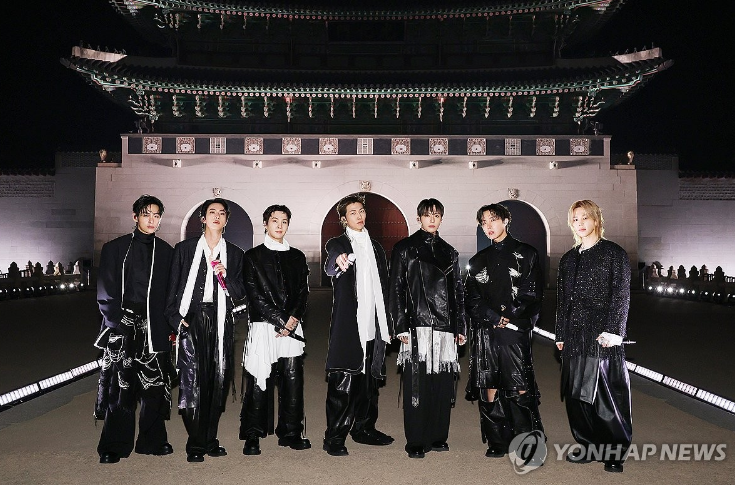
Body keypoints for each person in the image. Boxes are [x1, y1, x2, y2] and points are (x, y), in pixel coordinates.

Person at [94, 195, 175, 464]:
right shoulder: (115, 248)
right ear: (135, 216)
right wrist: (117, 322)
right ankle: (114, 445)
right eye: (146, 214)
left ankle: (153, 441)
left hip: (155, 326)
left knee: (155, 386)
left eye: (156, 216)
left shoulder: (166, 252)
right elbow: (105, 290)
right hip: (123, 325)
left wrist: (170, 326)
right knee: (121, 387)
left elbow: (170, 294)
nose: (151, 220)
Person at [165, 198, 246, 463]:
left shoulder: (235, 253)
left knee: (217, 382)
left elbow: (241, 294)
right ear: (203, 218)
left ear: (226, 220)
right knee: (192, 382)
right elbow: (172, 288)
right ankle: (196, 442)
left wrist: (227, 277)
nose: (217, 216)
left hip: (220, 320)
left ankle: (210, 439)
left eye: (222, 213)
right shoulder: (185, 249)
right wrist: (177, 320)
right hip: (192, 319)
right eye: (212, 212)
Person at [555, 200, 632, 473]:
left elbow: (621, 295)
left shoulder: (614, 253)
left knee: (605, 396)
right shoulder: (568, 259)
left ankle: (614, 452)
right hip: (574, 336)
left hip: (602, 335)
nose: (580, 223)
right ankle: (587, 445)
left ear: (597, 219)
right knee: (576, 396)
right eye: (575, 219)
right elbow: (563, 301)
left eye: (585, 217)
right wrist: (561, 334)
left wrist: (614, 331)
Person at [465, 203, 544, 458]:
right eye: (484, 222)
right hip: (487, 330)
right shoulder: (478, 261)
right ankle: (497, 441)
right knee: (490, 385)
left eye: (493, 220)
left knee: (519, 384)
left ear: (506, 220)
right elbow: (471, 298)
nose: (488, 226)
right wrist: (492, 317)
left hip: (514, 329)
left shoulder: (527, 254)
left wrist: (510, 315)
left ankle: (527, 441)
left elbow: (532, 292)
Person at [389, 198, 467, 459]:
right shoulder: (404, 248)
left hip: (445, 328)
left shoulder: (450, 252)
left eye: (436, 215)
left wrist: (460, 326)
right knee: (417, 384)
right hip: (417, 326)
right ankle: (416, 440)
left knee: (442, 384)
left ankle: (437, 436)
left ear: (441, 218)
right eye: (427, 215)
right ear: (418, 218)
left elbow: (457, 292)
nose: (432, 220)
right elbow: (396, 288)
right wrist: (400, 325)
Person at [322, 193, 394, 456]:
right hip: (349, 325)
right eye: (352, 212)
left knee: (369, 382)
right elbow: (332, 263)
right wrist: (338, 261)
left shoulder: (375, 247)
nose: (359, 215)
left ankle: (364, 429)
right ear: (344, 219)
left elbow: (384, 284)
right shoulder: (338, 243)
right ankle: (334, 437)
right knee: (342, 382)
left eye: (361, 211)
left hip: (374, 322)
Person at [239, 205, 311, 455]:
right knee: (259, 379)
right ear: (265, 224)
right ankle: (253, 434)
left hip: (292, 326)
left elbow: (303, 292)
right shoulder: (252, 256)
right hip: (264, 325)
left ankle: (291, 432)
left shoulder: (297, 256)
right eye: (274, 220)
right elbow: (254, 294)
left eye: (284, 221)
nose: (279, 225)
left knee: (292, 380)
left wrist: (293, 319)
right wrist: (280, 319)